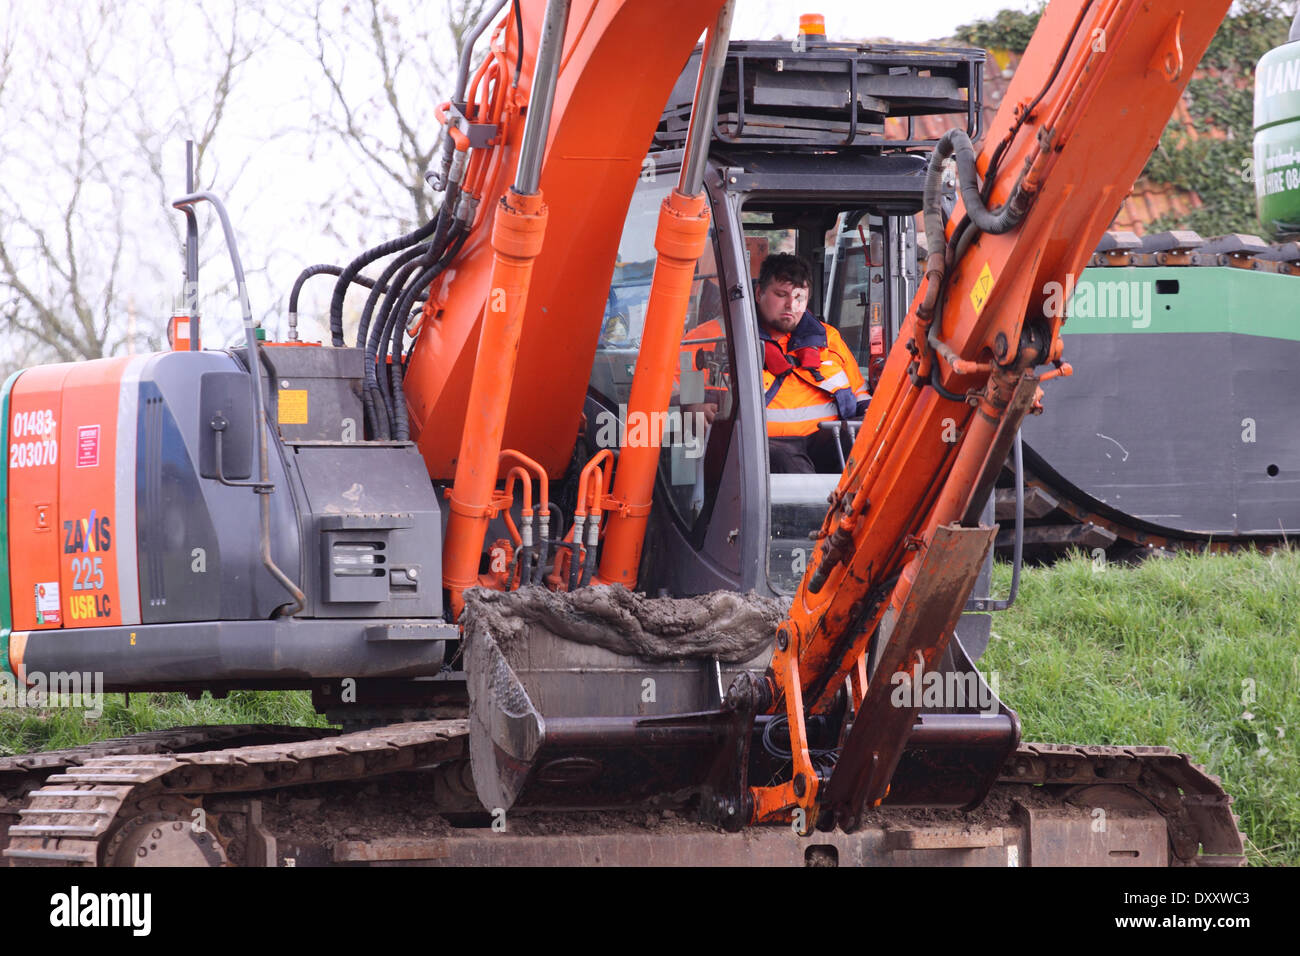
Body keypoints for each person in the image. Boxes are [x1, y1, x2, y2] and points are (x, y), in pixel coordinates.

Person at [753, 253, 868, 473]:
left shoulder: (828, 338)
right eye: (781, 294)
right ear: (759, 293)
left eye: (799, 297)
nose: (791, 305)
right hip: (763, 447)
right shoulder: (724, 337)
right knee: (788, 462)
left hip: (830, 441)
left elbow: (860, 395)